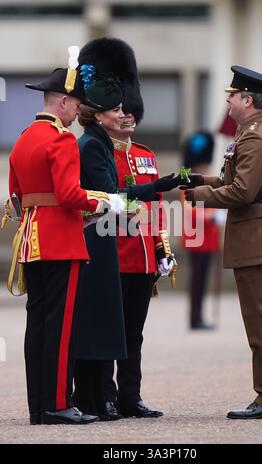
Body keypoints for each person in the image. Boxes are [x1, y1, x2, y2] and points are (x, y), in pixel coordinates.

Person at [7, 60, 125, 425]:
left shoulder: (25, 137)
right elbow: (70, 194)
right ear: (62, 103)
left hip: (32, 240)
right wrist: (105, 202)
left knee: (38, 326)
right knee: (60, 328)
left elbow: (15, 195)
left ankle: (38, 406)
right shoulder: (60, 139)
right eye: (76, 104)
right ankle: (57, 403)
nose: (78, 111)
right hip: (60, 241)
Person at [183, 65, 262, 419]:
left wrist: (196, 196)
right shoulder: (253, 132)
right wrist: (191, 179)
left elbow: (242, 191)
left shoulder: (256, 137)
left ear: (248, 100)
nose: (229, 101)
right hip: (259, 235)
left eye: (232, 96)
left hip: (259, 237)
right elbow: (228, 177)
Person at [78, 37, 177, 419]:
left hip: (141, 259)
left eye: (128, 109)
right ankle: (104, 394)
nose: (127, 116)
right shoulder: (98, 151)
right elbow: (112, 198)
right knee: (110, 333)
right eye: (119, 110)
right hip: (111, 254)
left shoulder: (146, 155)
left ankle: (130, 397)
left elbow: (155, 209)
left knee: (133, 335)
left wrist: (162, 250)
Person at [181, 131, 223, 330]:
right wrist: (211, 217)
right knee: (197, 281)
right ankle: (195, 318)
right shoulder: (186, 182)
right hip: (196, 236)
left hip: (208, 237)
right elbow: (189, 210)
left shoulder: (205, 181)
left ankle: (198, 317)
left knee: (202, 280)